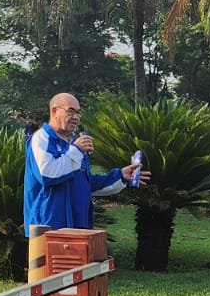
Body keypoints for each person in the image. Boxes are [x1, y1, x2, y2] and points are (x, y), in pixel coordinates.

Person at [23, 93, 147, 234]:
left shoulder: (73, 144)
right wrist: (76, 150)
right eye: (70, 111)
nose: (75, 117)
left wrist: (120, 176)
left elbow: (85, 183)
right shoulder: (41, 138)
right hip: (48, 229)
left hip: (78, 228)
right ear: (54, 111)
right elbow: (47, 175)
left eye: (78, 112)